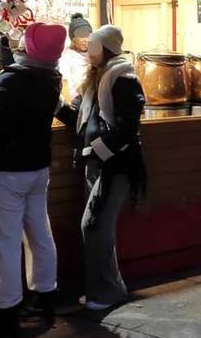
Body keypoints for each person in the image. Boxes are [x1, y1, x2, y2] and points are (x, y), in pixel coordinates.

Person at [0, 22, 65, 338]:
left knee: (4, 242)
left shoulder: (9, 81)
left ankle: (8, 312)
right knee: (40, 232)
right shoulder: (52, 78)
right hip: (38, 168)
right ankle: (45, 296)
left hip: (7, 172)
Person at [57, 25, 147, 311]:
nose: (88, 50)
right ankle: (103, 289)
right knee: (99, 228)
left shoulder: (123, 78)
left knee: (94, 226)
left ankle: (107, 292)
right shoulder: (96, 78)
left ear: (104, 48)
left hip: (114, 166)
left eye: (93, 45)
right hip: (96, 165)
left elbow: (127, 128)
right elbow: (79, 117)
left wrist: (95, 149)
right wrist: (57, 105)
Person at [59, 13, 93, 101]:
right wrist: (69, 105)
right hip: (75, 102)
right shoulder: (66, 57)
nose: (85, 40)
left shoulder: (94, 54)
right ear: (73, 39)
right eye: (81, 36)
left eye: (88, 35)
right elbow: (64, 83)